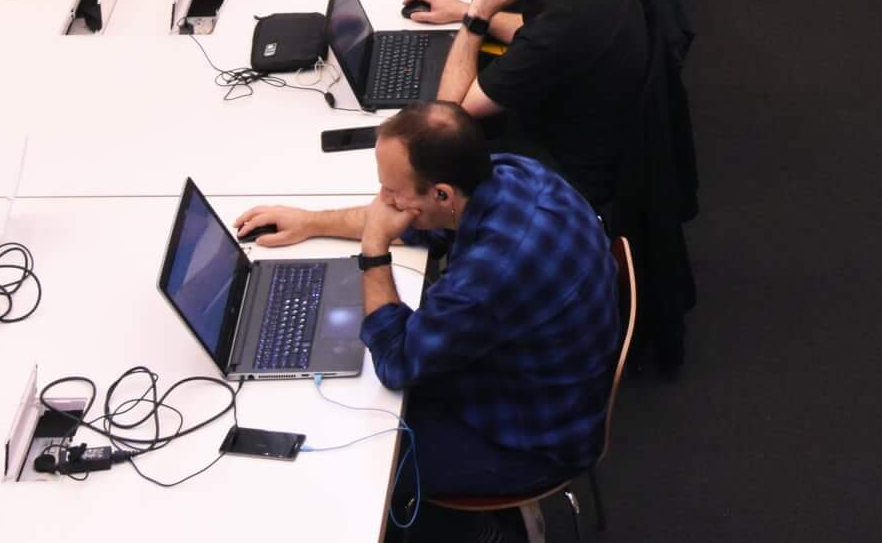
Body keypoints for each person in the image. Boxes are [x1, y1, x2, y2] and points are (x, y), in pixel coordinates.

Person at [231, 102, 618, 532]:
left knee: (353, 461)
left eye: (391, 191)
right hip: (545, 381)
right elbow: (415, 223)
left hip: (531, 442)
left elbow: (396, 362)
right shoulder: (508, 174)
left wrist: (374, 250)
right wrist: (310, 222)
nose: (383, 201)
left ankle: (477, 534)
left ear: (441, 195)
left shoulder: (490, 274)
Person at [405, 0, 646, 215]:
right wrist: (460, 9)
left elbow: (450, 114)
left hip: (565, 167)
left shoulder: (554, 36)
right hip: (606, 126)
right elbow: (529, 29)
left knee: (426, 173)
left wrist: (476, 16)